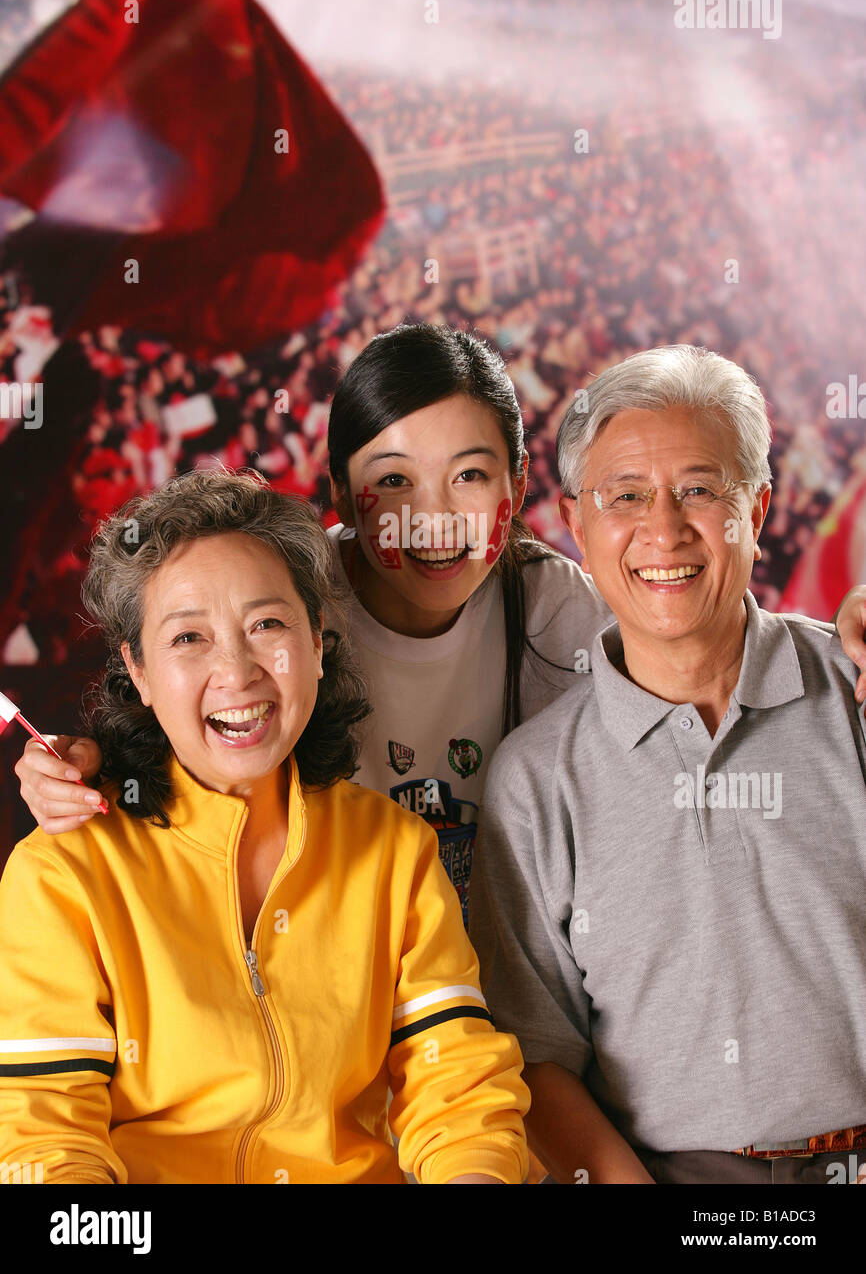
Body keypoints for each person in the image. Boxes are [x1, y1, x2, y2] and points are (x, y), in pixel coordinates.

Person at [11, 325, 866, 925]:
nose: (432, 520)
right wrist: (92, 770)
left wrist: (847, 632)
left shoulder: (559, 605)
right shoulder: (279, 611)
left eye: (467, 478)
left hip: (492, 1014)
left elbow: (698, 611)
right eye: (392, 481)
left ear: (519, 491)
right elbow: (192, 701)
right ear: (340, 498)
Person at [0, 470, 529, 1184]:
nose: (236, 670)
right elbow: (44, 1137)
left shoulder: (394, 850)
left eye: (267, 625)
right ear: (140, 670)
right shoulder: (63, 873)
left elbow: (458, 1091)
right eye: (188, 637)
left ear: (316, 640)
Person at [469, 344, 866, 1185]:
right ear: (575, 524)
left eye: (699, 490)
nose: (664, 529)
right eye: (626, 497)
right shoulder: (537, 783)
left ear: (756, 510)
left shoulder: (856, 694)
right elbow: (535, 1057)